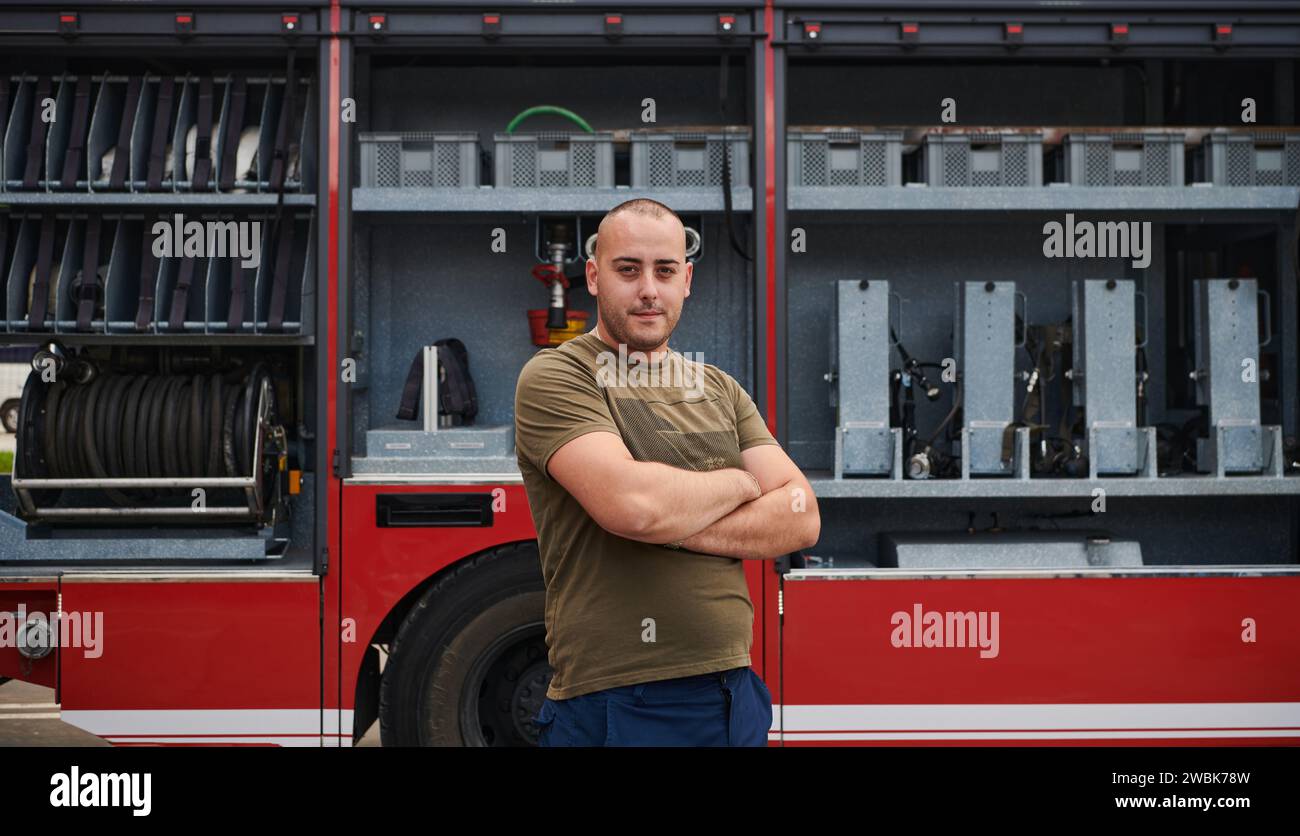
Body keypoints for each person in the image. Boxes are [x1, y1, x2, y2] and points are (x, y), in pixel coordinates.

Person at [514, 197, 820, 746]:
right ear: (593, 276)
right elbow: (634, 507)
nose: (649, 289)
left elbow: (801, 517)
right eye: (627, 269)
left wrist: (667, 521)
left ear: (688, 281)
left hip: (731, 695)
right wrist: (743, 486)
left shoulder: (719, 388)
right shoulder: (558, 375)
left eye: (665, 270)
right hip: (616, 701)